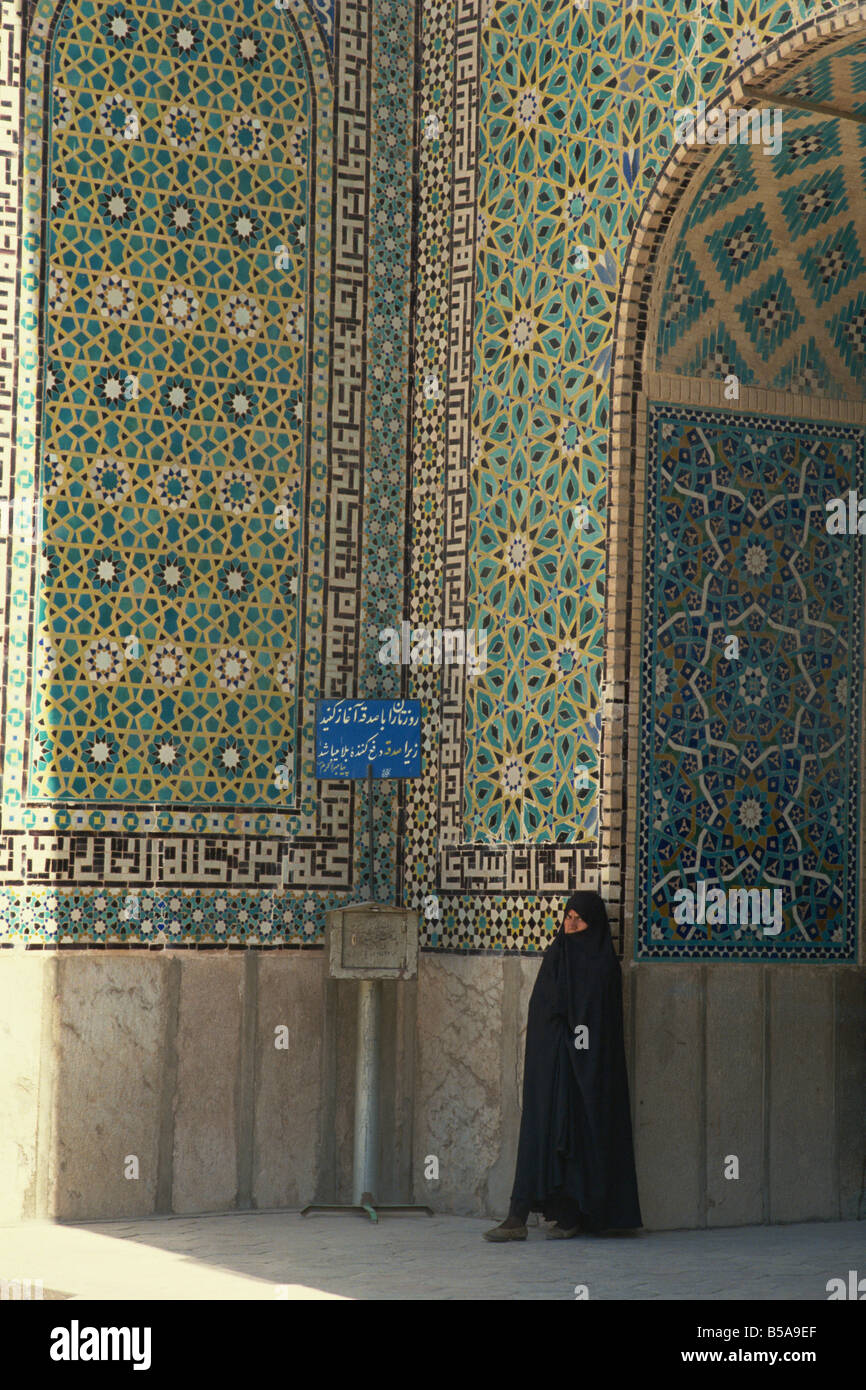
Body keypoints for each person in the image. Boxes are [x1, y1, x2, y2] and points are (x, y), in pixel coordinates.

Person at [484, 890, 642, 1241]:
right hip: (550, 1065)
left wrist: (575, 1048)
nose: (571, 923)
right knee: (540, 1133)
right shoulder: (558, 955)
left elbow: (599, 1026)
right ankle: (517, 1215)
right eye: (568, 916)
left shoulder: (602, 966)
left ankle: (572, 1215)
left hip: (583, 1070)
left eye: (579, 918)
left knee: (572, 1137)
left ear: (594, 924)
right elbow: (543, 1009)